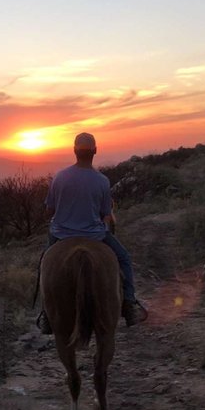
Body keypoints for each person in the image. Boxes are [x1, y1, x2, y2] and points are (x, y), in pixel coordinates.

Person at [36, 132, 148, 332]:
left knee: (45, 263)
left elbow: (49, 211)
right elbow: (106, 214)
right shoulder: (102, 181)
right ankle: (130, 304)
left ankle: (46, 313)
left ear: (74, 151)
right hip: (95, 236)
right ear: (95, 151)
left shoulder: (60, 176)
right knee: (123, 259)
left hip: (61, 234)